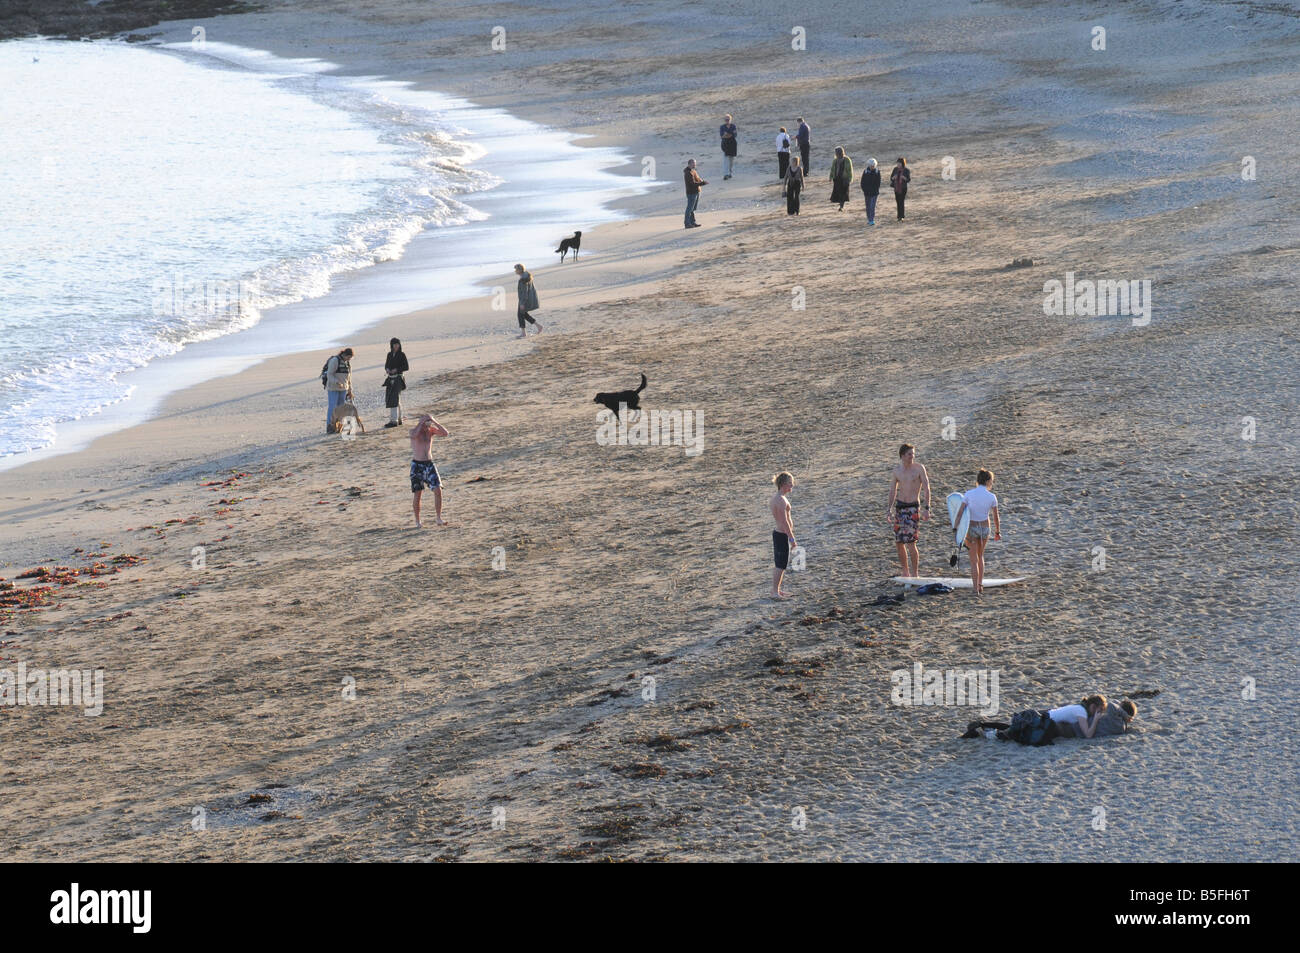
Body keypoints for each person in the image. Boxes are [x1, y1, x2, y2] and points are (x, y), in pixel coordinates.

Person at [961, 695, 1112, 745]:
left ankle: (982, 725)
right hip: (1042, 722)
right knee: (1010, 735)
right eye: (1099, 710)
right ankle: (980, 732)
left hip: (1043, 715)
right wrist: (1096, 720)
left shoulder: (1079, 707)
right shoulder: (1081, 712)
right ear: (1093, 706)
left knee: (1013, 729)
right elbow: (1088, 735)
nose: (1099, 713)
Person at [886, 443, 931, 578]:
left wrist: (927, 508)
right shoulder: (897, 471)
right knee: (899, 542)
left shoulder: (919, 469)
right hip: (900, 508)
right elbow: (892, 491)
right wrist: (889, 509)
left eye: (913, 454)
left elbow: (927, 488)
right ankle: (905, 572)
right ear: (902, 456)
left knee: (911, 543)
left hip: (913, 507)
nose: (912, 456)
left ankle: (915, 573)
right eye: (909, 454)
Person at [953, 469, 1000, 595]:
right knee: (980, 556)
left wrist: (955, 528)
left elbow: (960, 513)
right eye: (992, 481)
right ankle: (980, 585)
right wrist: (997, 532)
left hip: (972, 528)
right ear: (988, 481)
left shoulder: (969, 494)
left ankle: (975, 589)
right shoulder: (992, 496)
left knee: (974, 560)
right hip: (985, 529)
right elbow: (996, 517)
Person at [409, 412, 449, 528]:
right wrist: (421, 422)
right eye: (425, 420)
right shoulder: (414, 431)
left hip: (429, 464)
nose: (427, 423)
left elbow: (445, 433)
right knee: (418, 493)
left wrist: (434, 421)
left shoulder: (431, 431)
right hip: (417, 465)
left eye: (428, 421)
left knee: (438, 490)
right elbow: (414, 435)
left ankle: (438, 518)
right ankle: (418, 521)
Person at [770, 472, 797, 599]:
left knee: (781, 564)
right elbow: (784, 522)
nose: (792, 485)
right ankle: (775, 592)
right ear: (783, 484)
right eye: (790, 483)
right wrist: (792, 539)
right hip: (781, 534)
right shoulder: (780, 500)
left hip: (780, 534)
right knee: (780, 565)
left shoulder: (778, 498)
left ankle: (777, 590)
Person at [324, 346, 354, 434]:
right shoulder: (335, 361)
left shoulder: (347, 363)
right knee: (333, 407)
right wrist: (337, 382)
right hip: (333, 388)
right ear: (345, 355)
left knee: (341, 409)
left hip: (343, 389)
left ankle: (338, 426)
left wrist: (350, 390)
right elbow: (329, 374)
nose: (349, 359)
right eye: (349, 357)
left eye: (350, 358)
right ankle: (330, 426)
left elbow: (349, 378)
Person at [383, 337, 408, 428]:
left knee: (394, 398)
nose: (396, 346)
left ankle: (394, 421)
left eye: (398, 344)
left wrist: (396, 370)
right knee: (395, 398)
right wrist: (387, 369)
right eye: (395, 344)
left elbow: (406, 367)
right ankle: (399, 419)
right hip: (390, 378)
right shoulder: (389, 354)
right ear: (391, 345)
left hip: (399, 378)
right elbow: (386, 365)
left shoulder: (402, 354)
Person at [514, 264, 543, 337]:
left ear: (520, 270)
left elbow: (524, 292)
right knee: (523, 314)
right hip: (528, 298)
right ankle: (538, 326)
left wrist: (522, 303)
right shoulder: (527, 276)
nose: (515, 271)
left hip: (524, 300)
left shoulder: (523, 280)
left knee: (520, 315)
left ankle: (524, 333)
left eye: (516, 269)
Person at [683, 158, 707, 228]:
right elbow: (692, 183)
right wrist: (702, 183)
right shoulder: (688, 173)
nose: (694, 165)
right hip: (691, 193)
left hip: (696, 192)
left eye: (695, 163)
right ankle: (687, 223)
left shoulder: (693, 171)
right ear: (689, 164)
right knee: (689, 208)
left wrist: (702, 181)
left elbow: (698, 179)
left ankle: (692, 222)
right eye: (693, 163)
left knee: (692, 209)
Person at [860, 157, 881, 225]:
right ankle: (869, 219)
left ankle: (871, 220)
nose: (872, 167)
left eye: (873, 165)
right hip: (867, 193)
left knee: (872, 207)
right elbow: (862, 182)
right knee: (868, 207)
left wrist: (875, 190)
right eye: (871, 165)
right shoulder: (865, 171)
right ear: (868, 165)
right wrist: (864, 190)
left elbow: (878, 183)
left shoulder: (877, 172)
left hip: (874, 193)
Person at [719, 114, 738, 179]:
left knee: (731, 160)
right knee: (726, 159)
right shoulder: (722, 127)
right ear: (724, 120)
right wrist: (729, 134)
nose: (727, 120)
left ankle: (729, 173)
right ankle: (726, 174)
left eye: (728, 119)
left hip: (732, 144)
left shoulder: (733, 126)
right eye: (726, 119)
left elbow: (735, 135)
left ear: (730, 120)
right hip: (725, 144)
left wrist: (727, 134)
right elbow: (722, 136)